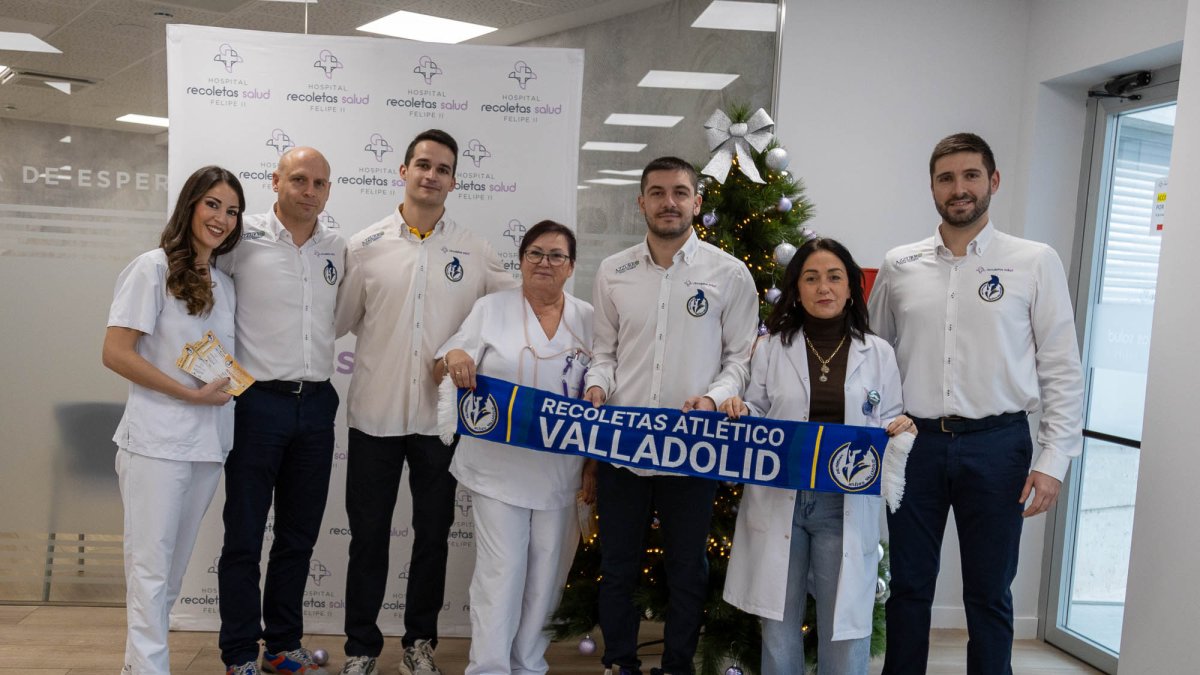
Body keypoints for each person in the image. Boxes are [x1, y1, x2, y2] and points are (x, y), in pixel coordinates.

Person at [868, 132, 1084, 675]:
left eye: (970, 175)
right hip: (914, 445)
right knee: (909, 587)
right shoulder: (900, 264)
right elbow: (876, 357)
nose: (958, 188)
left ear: (993, 181)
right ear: (932, 187)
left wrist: (1053, 461)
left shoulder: (1034, 262)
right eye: (946, 178)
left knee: (989, 592)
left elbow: (1061, 366)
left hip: (999, 447)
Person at [335, 129, 514, 675]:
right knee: (367, 538)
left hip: (441, 423)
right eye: (422, 165)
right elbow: (338, 323)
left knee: (433, 537)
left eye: (442, 168)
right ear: (403, 170)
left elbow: (511, 313)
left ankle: (420, 644)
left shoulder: (476, 250)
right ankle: (362, 649)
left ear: (454, 181)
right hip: (373, 416)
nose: (431, 175)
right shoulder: (364, 246)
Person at [583, 156, 759, 675]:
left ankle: (678, 665)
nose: (669, 202)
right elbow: (604, 354)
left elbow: (742, 357)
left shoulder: (729, 274)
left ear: (697, 202)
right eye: (657, 192)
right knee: (616, 566)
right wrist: (597, 385)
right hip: (623, 444)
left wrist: (713, 397)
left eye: (680, 192)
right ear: (641, 202)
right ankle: (619, 662)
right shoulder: (614, 271)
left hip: (691, 445)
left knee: (687, 567)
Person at [719, 238, 914, 675]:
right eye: (810, 278)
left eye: (833, 277)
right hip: (780, 497)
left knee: (844, 627)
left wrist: (902, 427)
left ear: (850, 288)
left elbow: (892, 416)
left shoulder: (877, 352)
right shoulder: (771, 348)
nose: (822, 287)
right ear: (797, 288)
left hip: (842, 502)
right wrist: (740, 409)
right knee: (779, 625)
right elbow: (759, 410)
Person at [102, 166, 244, 674]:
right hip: (156, 444)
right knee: (150, 573)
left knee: (172, 576)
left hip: (207, 448)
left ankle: (139, 668)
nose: (221, 218)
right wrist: (187, 394)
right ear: (189, 206)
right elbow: (116, 353)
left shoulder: (223, 284)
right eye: (212, 204)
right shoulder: (150, 268)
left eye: (231, 210)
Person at [435, 219, 594, 675]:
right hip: (497, 467)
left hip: (560, 468)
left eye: (556, 256)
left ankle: (529, 664)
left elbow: (604, 380)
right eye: (535, 254)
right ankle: (488, 668)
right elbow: (451, 356)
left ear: (571, 267)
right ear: (521, 261)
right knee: (500, 573)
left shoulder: (587, 317)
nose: (545, 263)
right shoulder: (491, 307)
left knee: (547, 574)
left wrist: (593, 463)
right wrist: (457, 357)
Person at [216, 147, 344, 675]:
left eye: (319, 182)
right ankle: (241, 652)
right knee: (244, 535)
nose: (309, 190)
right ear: (275, 182)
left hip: (316, 405)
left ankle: (282, 646)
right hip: (256, 405)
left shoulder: (337, 247)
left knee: (298, 536)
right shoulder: (238, 241)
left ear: (328, 190)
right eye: (298, 179)